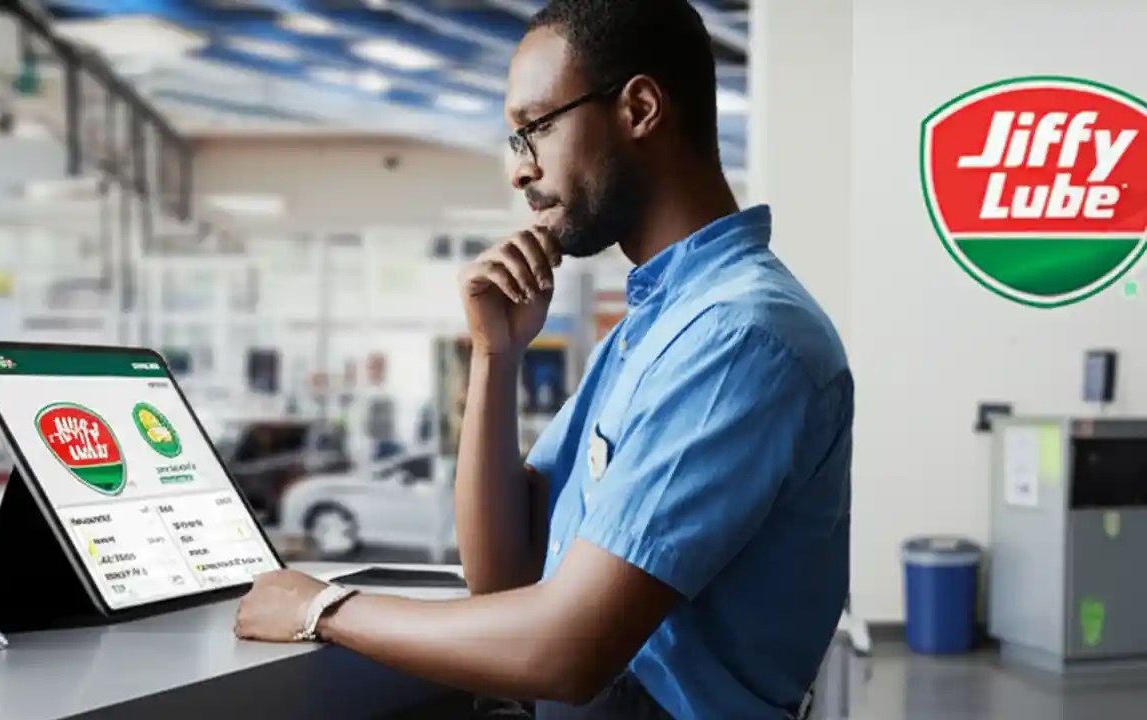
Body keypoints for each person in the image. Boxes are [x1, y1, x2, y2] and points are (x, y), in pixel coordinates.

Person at [234, 1, 853, 718]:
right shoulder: (652, 328)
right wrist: (495, 357)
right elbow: (502, 576)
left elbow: (564, 652)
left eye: (537, 128)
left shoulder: (740, 337)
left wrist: (325, 608)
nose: (520, 171)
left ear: (640, 108)